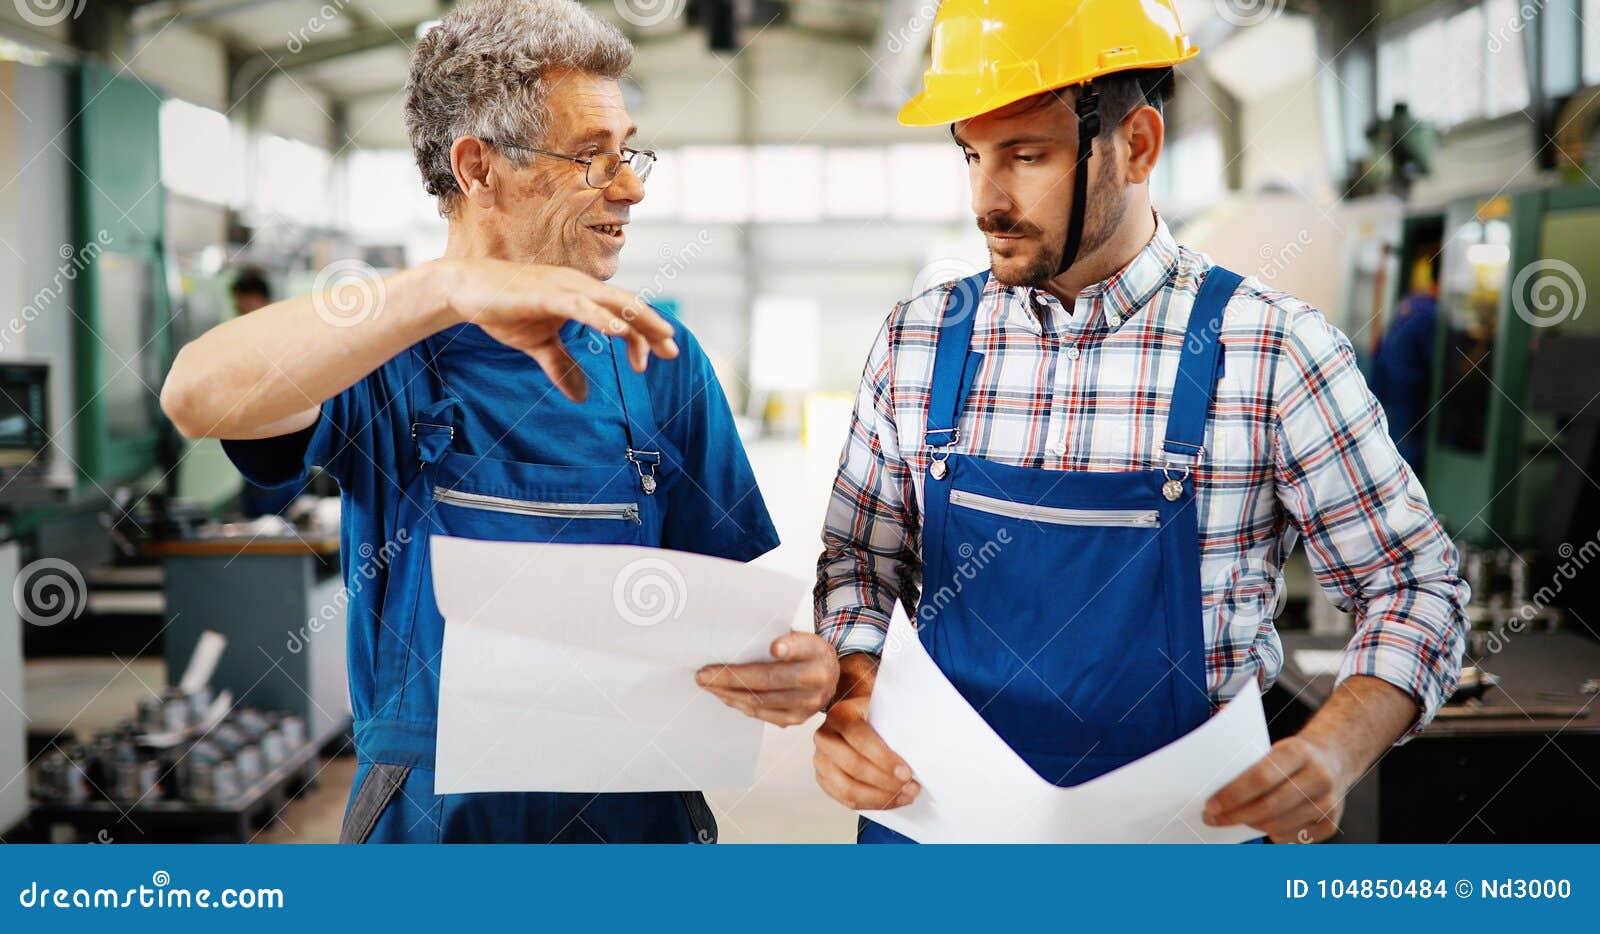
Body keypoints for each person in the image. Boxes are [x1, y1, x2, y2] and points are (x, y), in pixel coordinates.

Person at [161, 0, 837, 843]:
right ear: (478, 168)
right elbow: (196, 393)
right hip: (437, 830)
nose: (631, 187)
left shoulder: (655, 358)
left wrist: (794, 670)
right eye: (592, 158)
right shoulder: (382, 355)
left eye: (628, 153)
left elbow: (724, 628)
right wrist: (443, 289)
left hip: (634, 817)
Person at [811, 0, 1468, 844]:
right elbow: (860, 558)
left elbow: (1413, 585)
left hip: (1182, 852)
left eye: (1027, 156)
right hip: (935, 837)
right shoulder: (918, 341)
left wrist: (1336, 750)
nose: (986, 200)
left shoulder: (1269, 350)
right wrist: (854, 699)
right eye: (972, 154)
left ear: (1139, 146)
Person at [227, 268, 298, 518]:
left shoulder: (278, 334)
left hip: (280, 440)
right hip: (258, 441)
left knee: (274, 512)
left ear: (257, 298)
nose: (239, 311)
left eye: (242, 305)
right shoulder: (253, 335)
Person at [1369, 251, 1441, 472]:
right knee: (1406, 460)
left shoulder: (1410, 305)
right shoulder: (1431, 315)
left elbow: (1380, 350)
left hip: (1387, 394)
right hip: (1410, 401)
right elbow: (1439, 362)